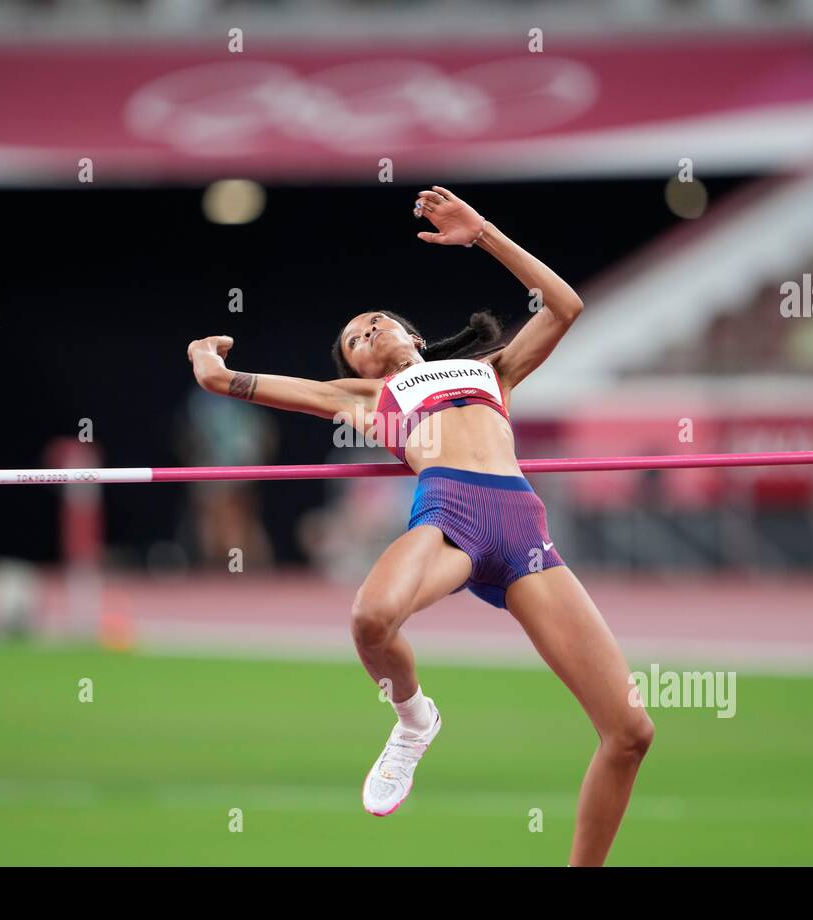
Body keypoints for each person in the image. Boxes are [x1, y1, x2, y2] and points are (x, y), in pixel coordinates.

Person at [186, 186, 652, 866]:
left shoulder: (492, 369)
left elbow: (564, 306)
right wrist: (208, 364)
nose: (368, 330)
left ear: (412, 332)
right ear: (356, 367)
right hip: (451, 516)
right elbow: (234, 383)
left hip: (522, 526)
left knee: (631, 730)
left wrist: (482, 233)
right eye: (354, 337)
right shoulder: (365, 397)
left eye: (377, 320)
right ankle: (413, 720)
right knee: (371, 620)